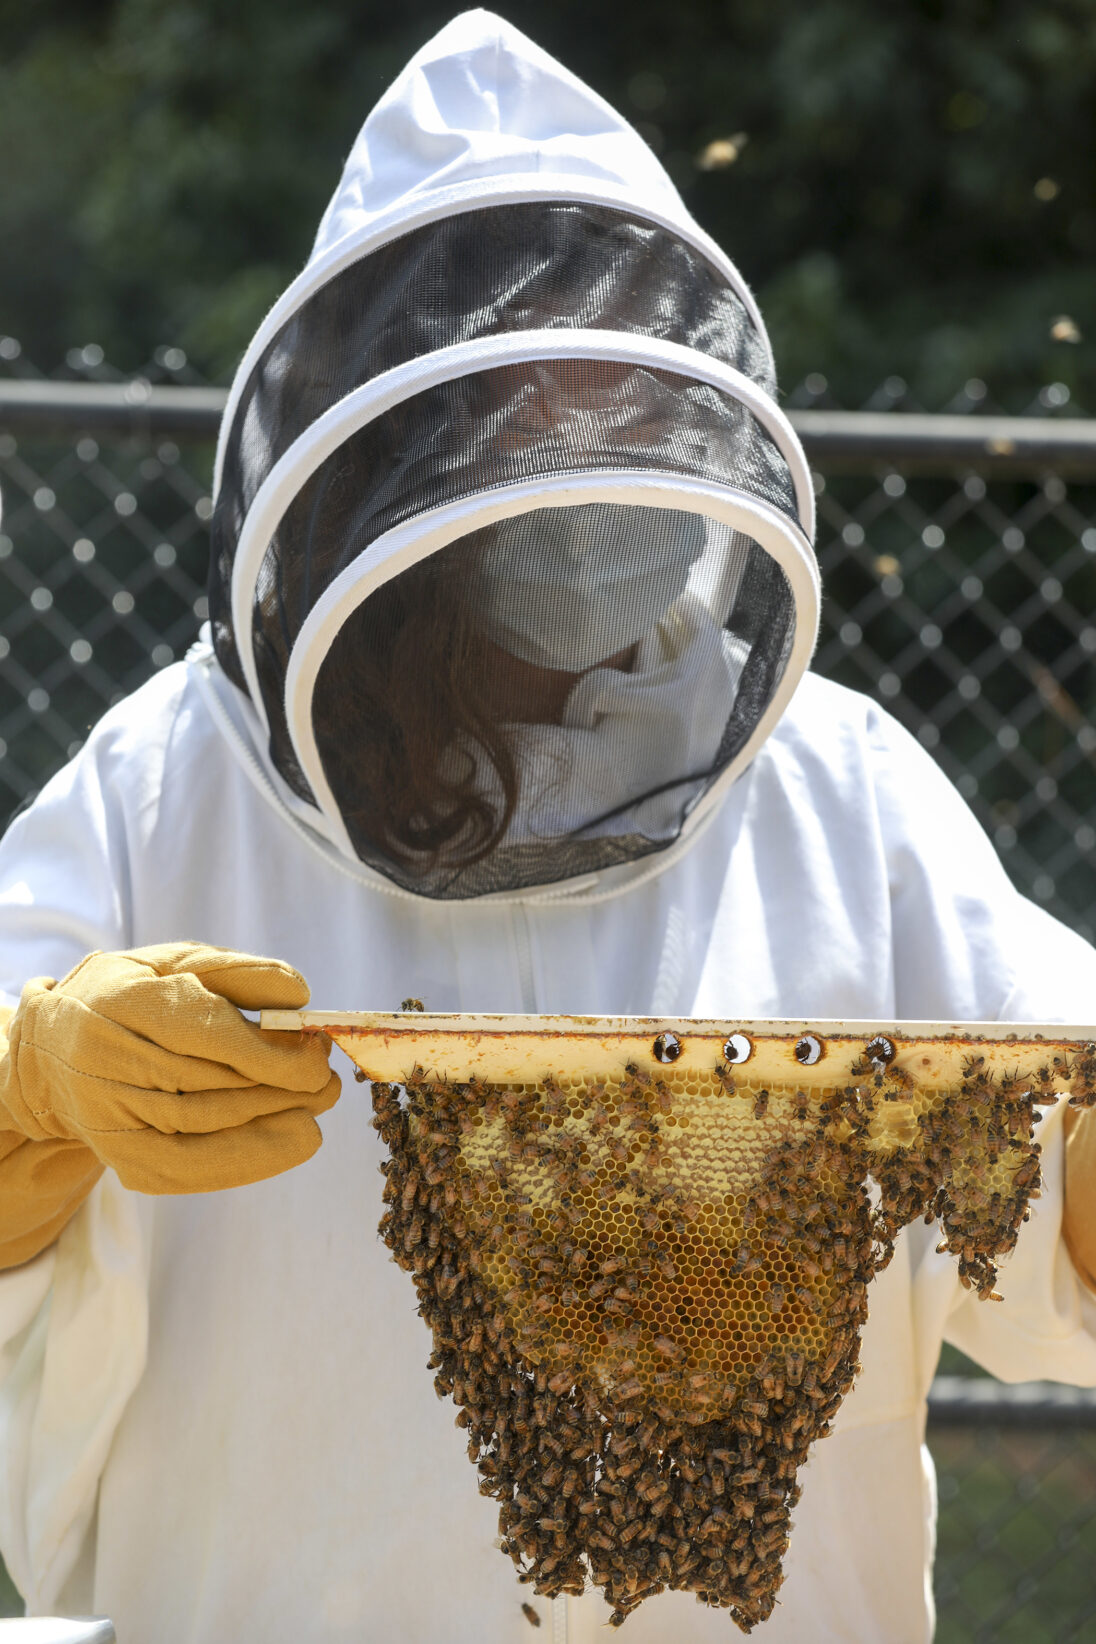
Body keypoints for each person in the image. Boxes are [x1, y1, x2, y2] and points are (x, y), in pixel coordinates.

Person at [0, 11, 1094, 1642]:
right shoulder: (169, 784)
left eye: (616, 387)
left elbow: (1061, 1187)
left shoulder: (834, 786)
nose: (584, 451)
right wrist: (36, 1089)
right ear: (388, 433)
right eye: (527, 395)